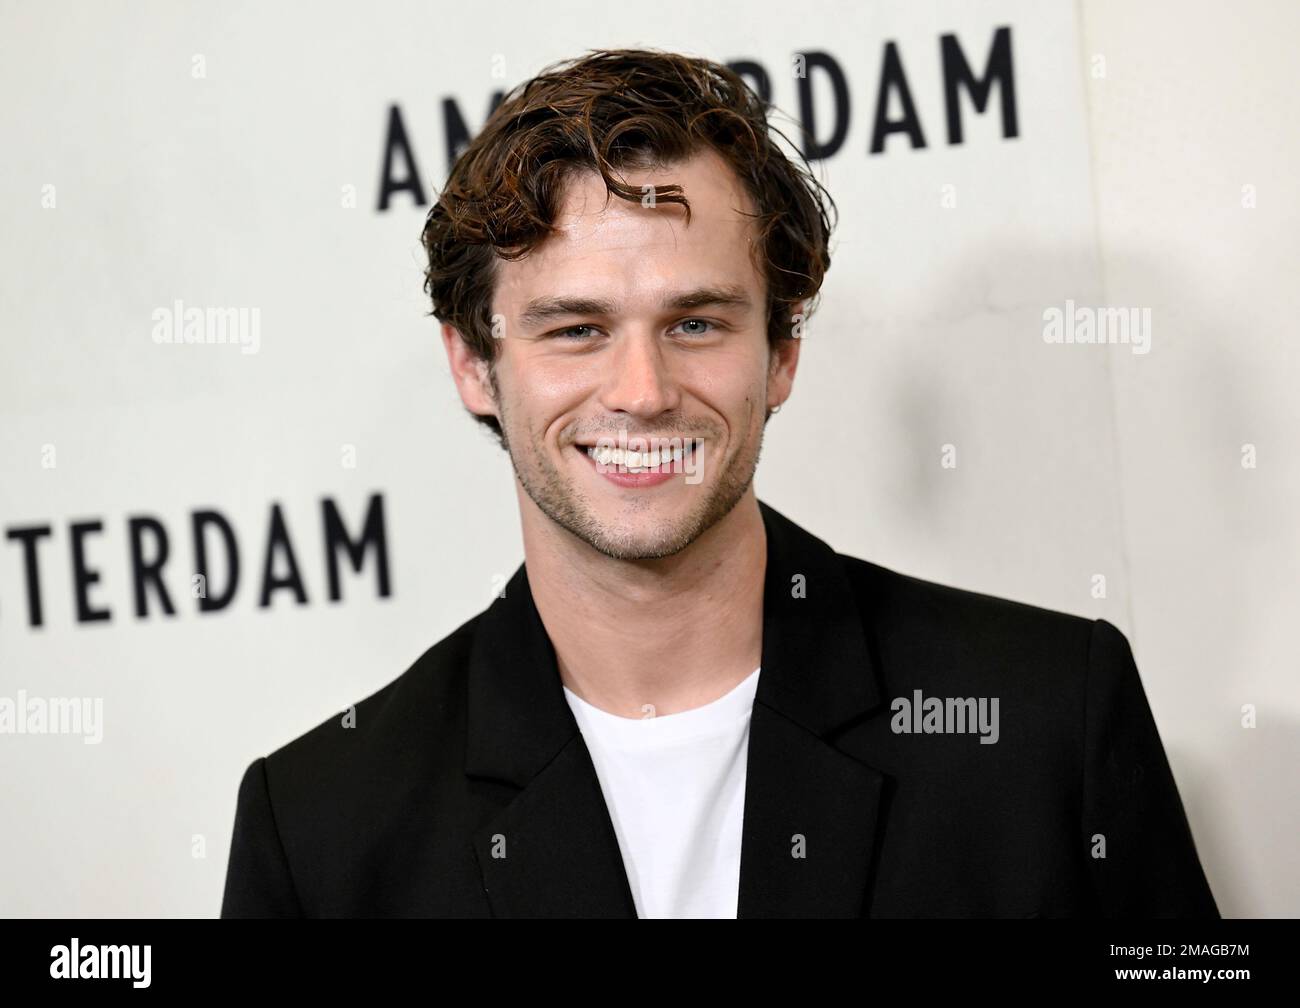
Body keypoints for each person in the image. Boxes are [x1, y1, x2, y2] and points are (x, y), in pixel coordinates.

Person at [221, 48, 1218, 918]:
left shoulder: (1043, 719)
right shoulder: (322, 833)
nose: (643, 392)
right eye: (576, 329)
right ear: (474, 366)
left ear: (781, 352)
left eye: (696, 323)